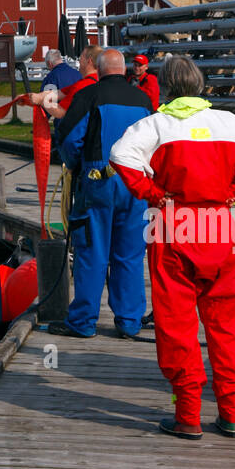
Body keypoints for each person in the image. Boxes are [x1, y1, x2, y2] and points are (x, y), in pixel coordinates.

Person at [111, 54, 235, 439]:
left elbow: (120, 156)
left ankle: (187, 414)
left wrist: (153, 195)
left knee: (176, 322)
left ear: (167, 86)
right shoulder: (230, 123)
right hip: (220, 225)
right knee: (229, 321)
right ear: (201, 84)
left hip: (172, 223)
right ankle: (231, 412)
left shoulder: (154, 125)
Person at [48, 49, 152, 339]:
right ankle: (129, 321)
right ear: (124, 70)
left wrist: (77, 166)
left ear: (101, 69)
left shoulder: (88, 96)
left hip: (98, 180)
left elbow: (69, 137)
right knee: (130, 253)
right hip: (136, 185)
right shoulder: (144, 101)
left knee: (92, 252)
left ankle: (83, 322)